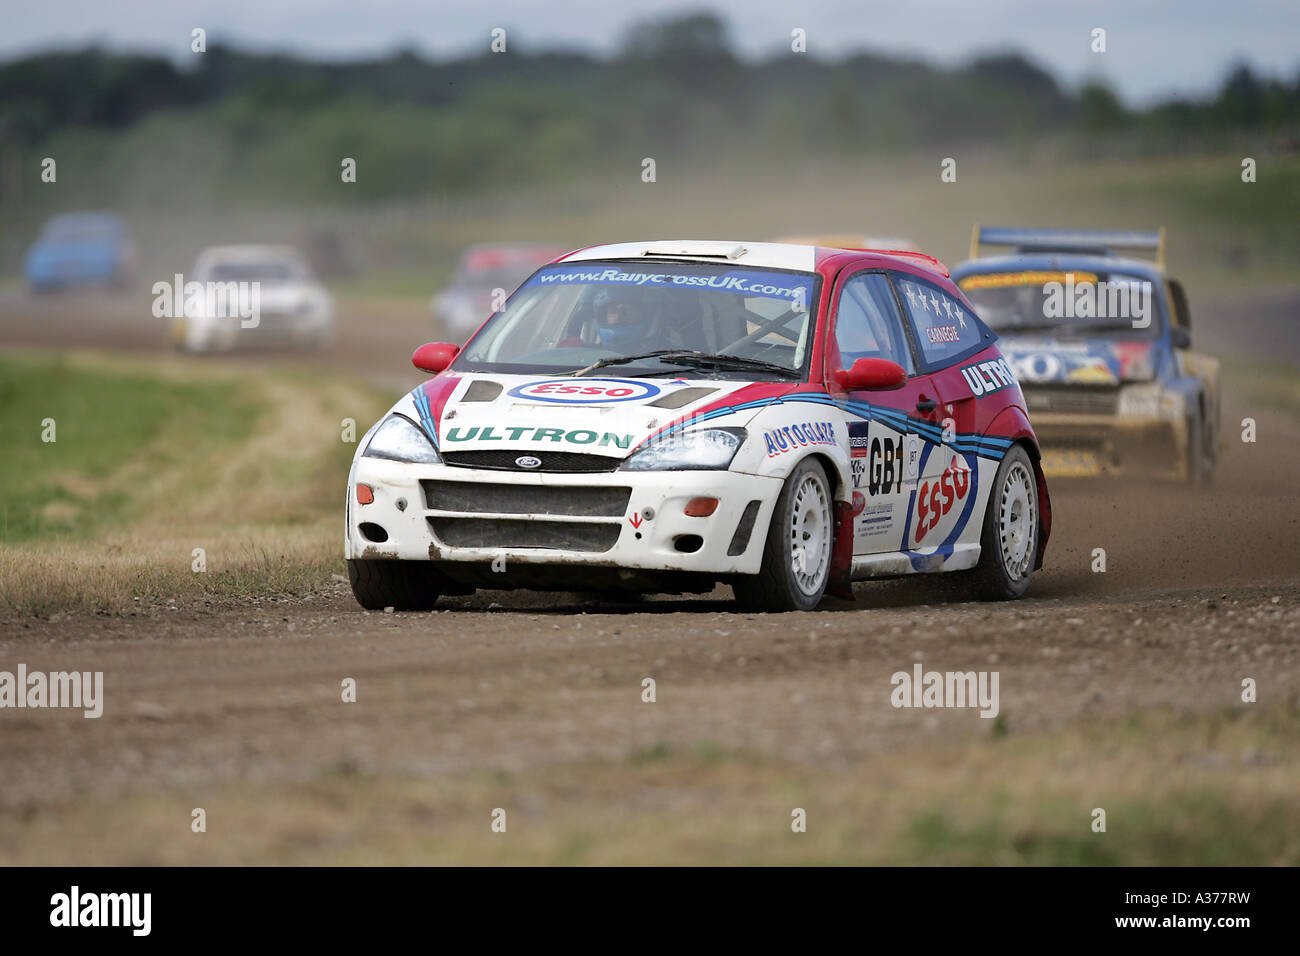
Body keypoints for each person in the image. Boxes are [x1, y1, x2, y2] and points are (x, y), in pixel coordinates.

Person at [592, 286, 658, 352]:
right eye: (613, 311)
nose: (618, 317)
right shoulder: (589, 354)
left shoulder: (660, 353)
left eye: (625, 310)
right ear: (604, 317)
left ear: (641, 314)